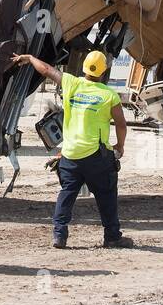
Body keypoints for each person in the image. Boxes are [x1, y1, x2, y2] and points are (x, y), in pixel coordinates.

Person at [13, 49, 133, 249]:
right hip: (96, 157)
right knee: (106, 194)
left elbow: (47, 70)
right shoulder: (108, 95)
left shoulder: (71, 83)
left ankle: (59, 236)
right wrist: (120, 146)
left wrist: (30, 57)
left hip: (70, 154)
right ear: (104, 71)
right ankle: (112, 236)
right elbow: (121, 124)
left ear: (84, 67)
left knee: (67, 192)